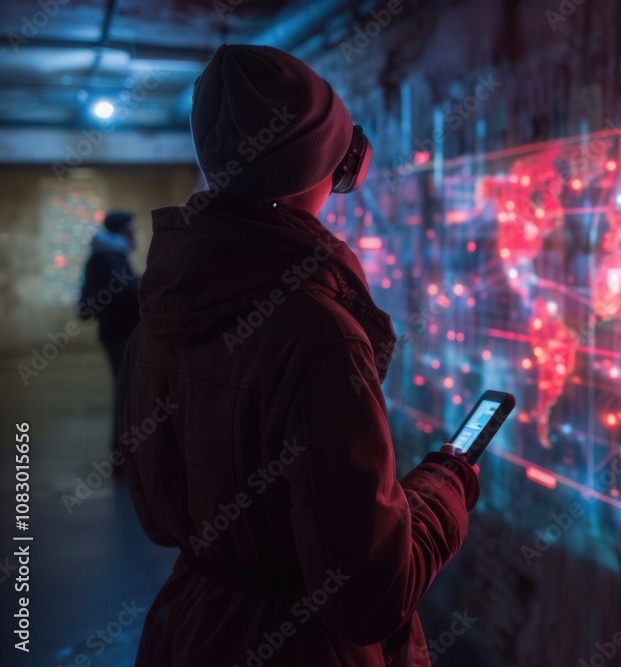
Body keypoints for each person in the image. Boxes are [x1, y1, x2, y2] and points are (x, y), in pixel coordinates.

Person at [117, 44, 481, 666]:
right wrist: (447, 485)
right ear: (327, 166)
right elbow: (369, 595)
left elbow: (157, 518)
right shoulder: (319, 335)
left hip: (189, 632)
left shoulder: (158, 309)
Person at [78, 210, 141, 467]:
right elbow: (125, 291)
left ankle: (124, 455)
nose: (134, 233)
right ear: (120, 231)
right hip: (120, 334)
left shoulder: (108, 255)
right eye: (131, 228)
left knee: (126, 391)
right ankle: (123, 457)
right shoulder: (110, 257)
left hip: (116, 333)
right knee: (126, 392)